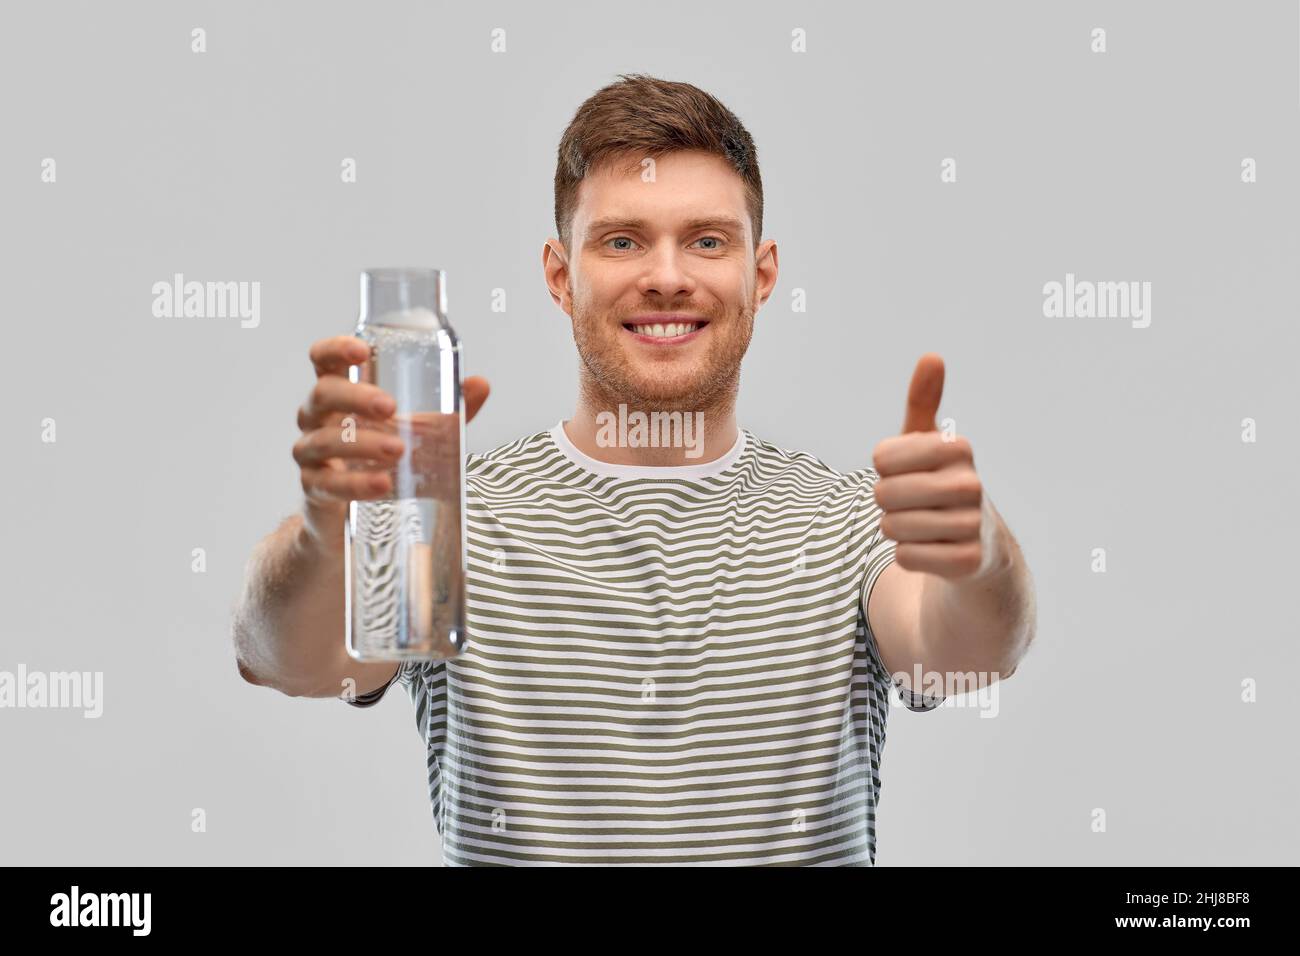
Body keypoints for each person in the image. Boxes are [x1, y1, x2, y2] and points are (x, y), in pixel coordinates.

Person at [231, 73, 1037, 866]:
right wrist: (324, 534)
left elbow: (964, 652)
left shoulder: (848, 517)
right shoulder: (444, 518)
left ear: (761, 275)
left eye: (707, 240)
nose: (666, 275)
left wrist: (979, 556)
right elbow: (289, 662)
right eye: (622, 240)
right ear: (559, 275)